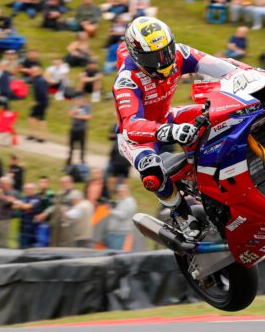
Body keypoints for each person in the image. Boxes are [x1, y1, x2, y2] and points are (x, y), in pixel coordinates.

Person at [112, 16, 254, 239]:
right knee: (152, 172)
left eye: (166, 50)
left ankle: (224, 171)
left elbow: (219, 66)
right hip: (137, 137)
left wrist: (251, 73)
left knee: (220, 113)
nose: (165, 60)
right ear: (137, 56)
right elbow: (130, 126)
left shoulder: (179, 53)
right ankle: (182, 217)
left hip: (167, 116)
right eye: (154, 56)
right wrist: (167, 132)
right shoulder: (126, 80)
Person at [105, 184, 137, 250]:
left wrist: (110, 210)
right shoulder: (121, 200)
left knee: (115, 253)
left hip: (120, 233)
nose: (120, 193)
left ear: (127, 191)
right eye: (119, 191)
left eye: (122, 191)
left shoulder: (129, 201)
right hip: (114, 232)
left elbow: (122, 215)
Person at [0, 175, 18, 248]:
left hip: (4, 220)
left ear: (7, 184)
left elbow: (9, 202)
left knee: (2, 243)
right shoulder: (0, 191)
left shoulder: (12, 192)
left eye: (1, 183)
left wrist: (1, 195)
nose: (0, 185)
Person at [15, 182, 41, 249]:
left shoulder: (36, 198)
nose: (27, 190)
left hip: (32, 226)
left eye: (29, 189)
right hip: (22, 224)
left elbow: (28, 207)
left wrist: (21, 205)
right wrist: (22, 205)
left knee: (29, 246)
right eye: (26, 189)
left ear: (34, 189)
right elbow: (14, 206)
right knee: (21, 244)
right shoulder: (24, 198)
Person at [67, 95, 92, 166]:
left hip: (82, 129)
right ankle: (69, 159)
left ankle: (82, 160)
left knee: (82, 146)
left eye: (79, 100)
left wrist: (78, 116)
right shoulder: (74, 106)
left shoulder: (87, 107)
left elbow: (88, 117)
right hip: (73, 128)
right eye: (77, 100)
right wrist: (74, 112)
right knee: (71, 145)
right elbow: (70, 113)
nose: (78, 102)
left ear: (82, 101)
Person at [27, 67, 48, 143]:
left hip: (40, 102)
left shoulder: (40, 80)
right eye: (32, 71)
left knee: (32, 118)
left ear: (39, 71)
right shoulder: (37, 79)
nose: (33, 73)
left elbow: (42, 92)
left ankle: (36, 135)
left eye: (35, 71)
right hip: (42, 102)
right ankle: (40, 136)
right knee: (41, 119)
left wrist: (37, 101)